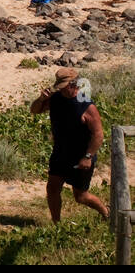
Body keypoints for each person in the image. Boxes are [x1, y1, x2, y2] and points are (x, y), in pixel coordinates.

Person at [28, 68, 109, 223]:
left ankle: (106, 212)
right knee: (52, 188)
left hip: (81, 156)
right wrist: (40, 99)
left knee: (81, 196)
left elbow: (98, 135)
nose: (62, 89)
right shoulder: (55, 98)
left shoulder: (86, 106)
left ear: (74, 84)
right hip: (60, 153)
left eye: (64, 86)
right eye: (60, 86)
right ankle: (56, 224)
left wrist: (88, 157)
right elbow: (34, 110)